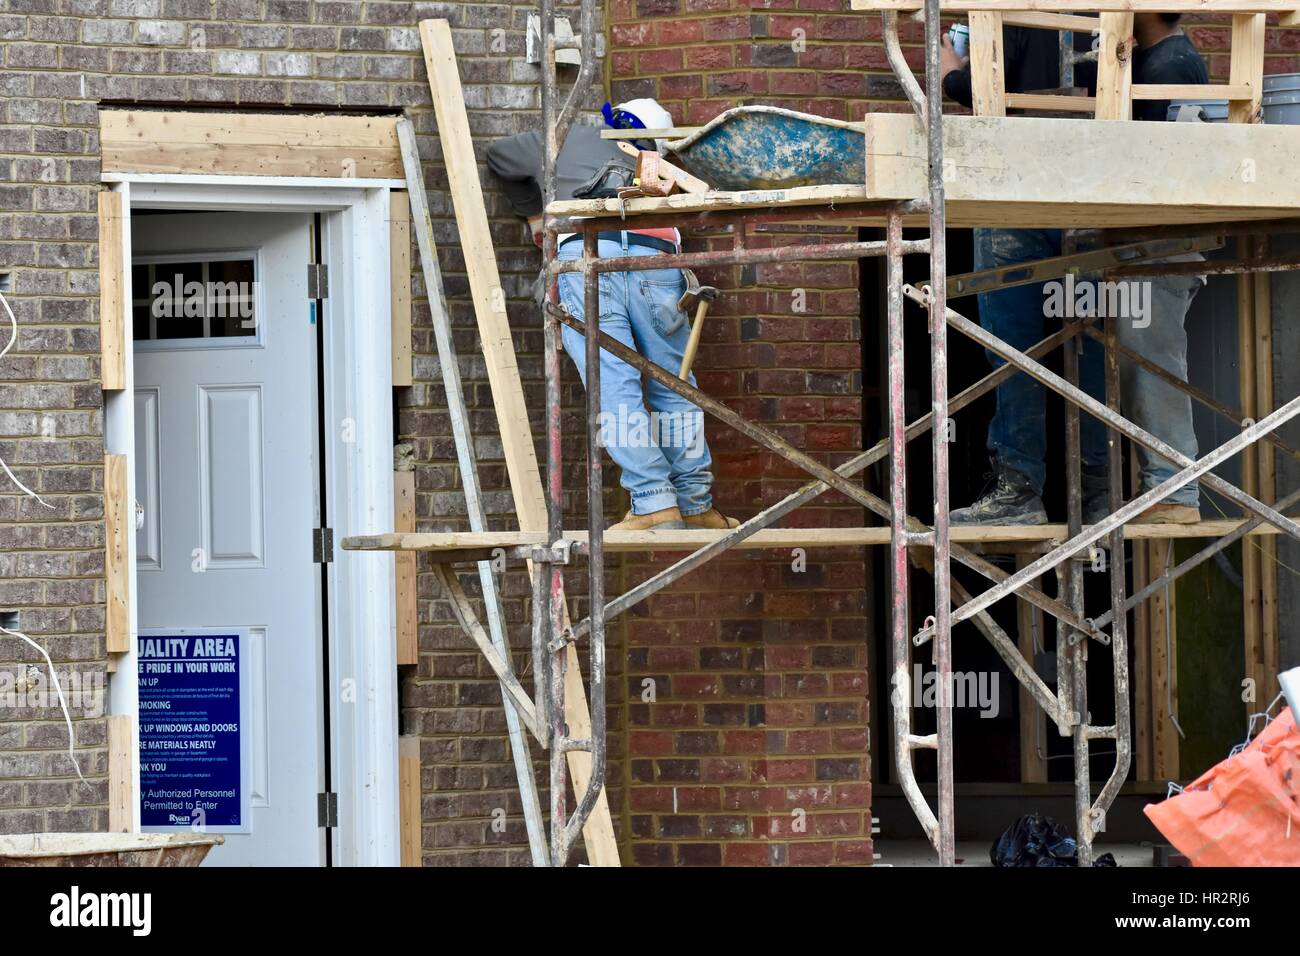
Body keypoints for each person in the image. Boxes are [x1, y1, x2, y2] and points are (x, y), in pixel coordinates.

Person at [941, 15, 1206, 525]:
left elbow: (969, 89)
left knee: (1024, 348)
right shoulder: (1115, 21)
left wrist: (944, 48)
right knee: (1081, 343)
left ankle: (1033, 488)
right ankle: (1089, 490)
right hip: (1074, 190)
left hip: (1020, 190)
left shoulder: (1019, 11)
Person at [487, 99, 739, 532]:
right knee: (675, 384)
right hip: (656, 259)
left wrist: (533, 212)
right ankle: (696, 503)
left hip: (590, 256)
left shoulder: (566, 138)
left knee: (614, 387)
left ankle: (654, 501)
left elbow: (500, 156)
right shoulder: (658, 163)